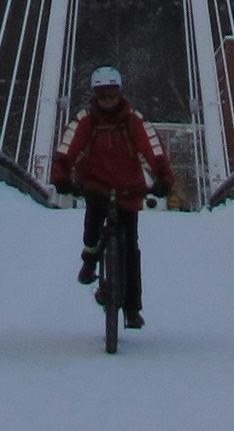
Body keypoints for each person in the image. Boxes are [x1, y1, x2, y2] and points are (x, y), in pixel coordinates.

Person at [51, 64, 169, 326]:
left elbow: (154, 151)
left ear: (120, 94)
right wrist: (61, 176)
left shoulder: (132, 121)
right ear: (95, 96)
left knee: (130, 249)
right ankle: (90, 260)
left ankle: (131, 309)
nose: (108, 101)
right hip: (95, 186)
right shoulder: (86, 121)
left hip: (128, 188)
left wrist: (163, 179)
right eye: (103, 96)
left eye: (112, 96)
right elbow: (66, 150)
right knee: (92, 229)